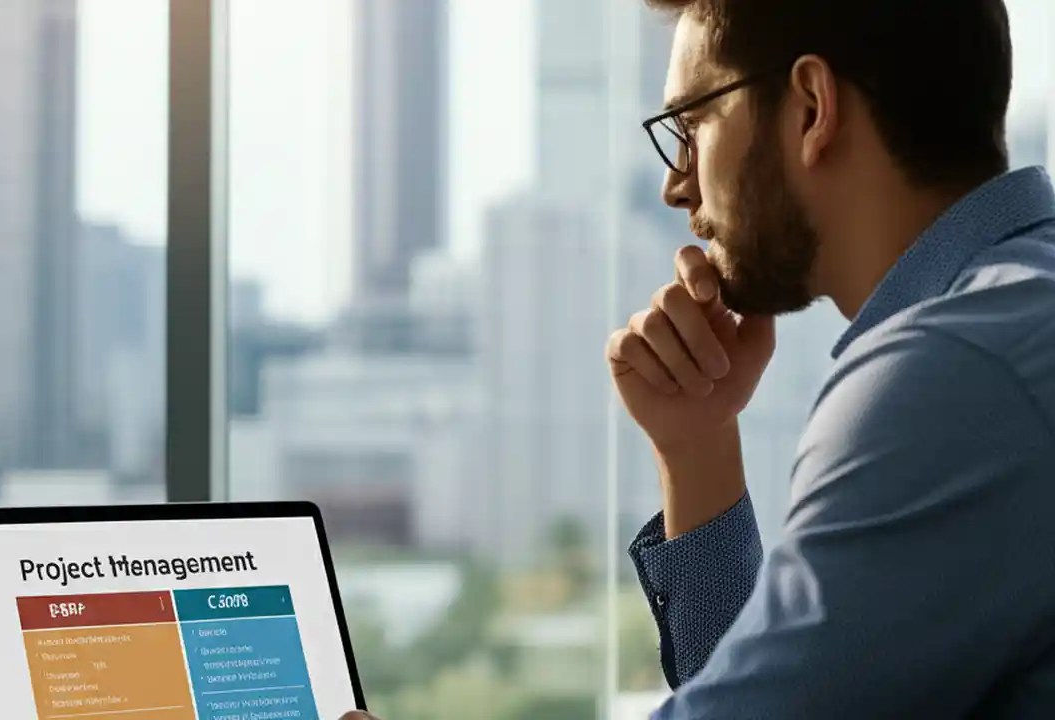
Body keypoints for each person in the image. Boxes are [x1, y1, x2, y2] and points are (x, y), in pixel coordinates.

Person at [342, 0, 1055, 716]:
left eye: (694, 123)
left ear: (811, 107)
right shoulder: (1013, 323)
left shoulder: (955, 373)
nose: (676, 184)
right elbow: (779, 695)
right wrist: (697, 451)